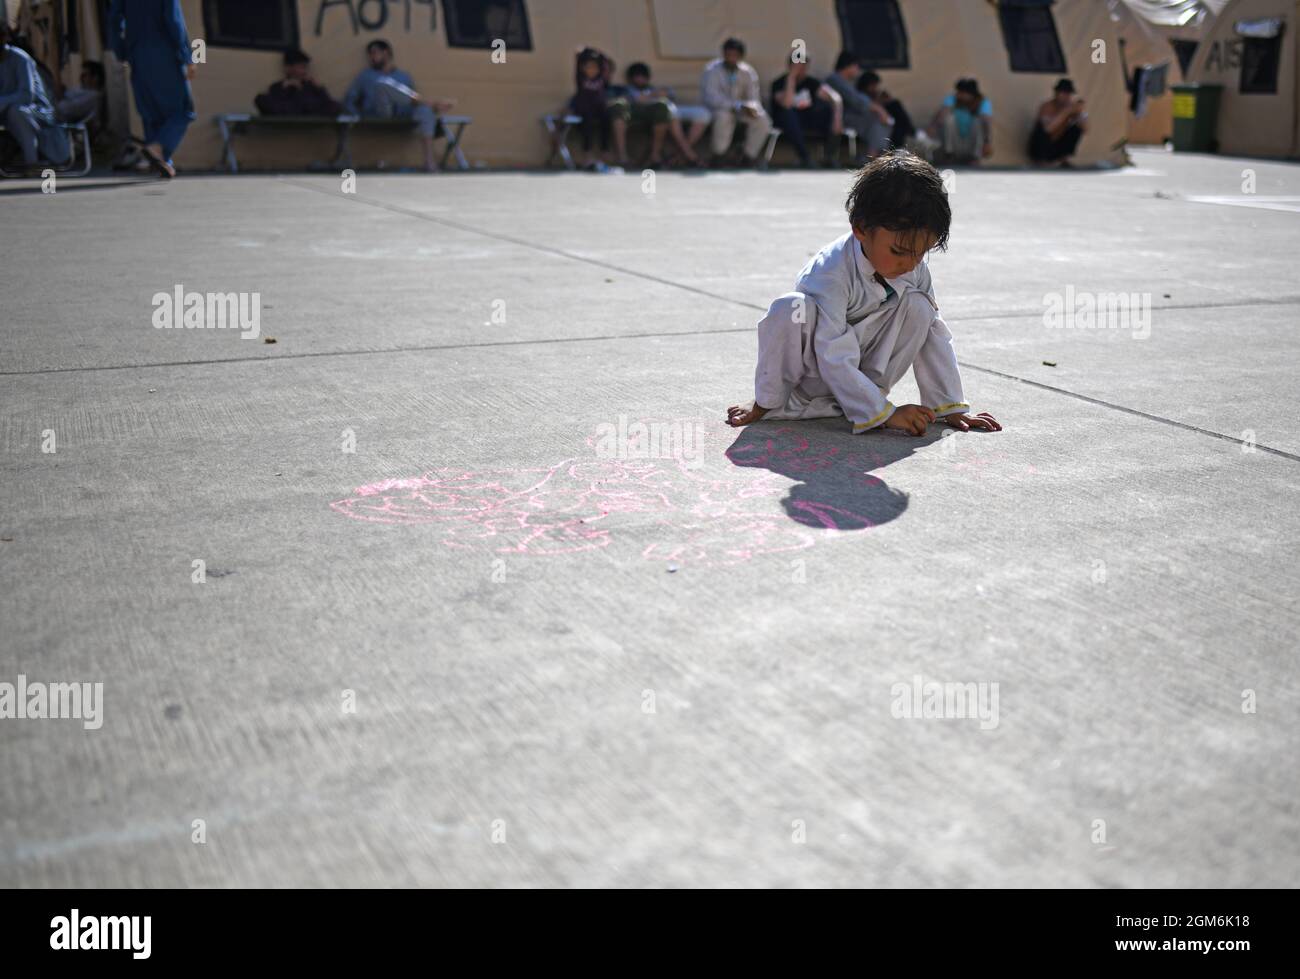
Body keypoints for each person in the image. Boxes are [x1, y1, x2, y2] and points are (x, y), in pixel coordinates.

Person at [726, 154, 1001, 438]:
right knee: (790, 308)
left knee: (923, 309)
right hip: (808, 384)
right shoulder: (829, 273)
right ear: (860, 228)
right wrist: (887, 414)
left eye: (921, 252)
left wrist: (949, 406)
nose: (910, 263)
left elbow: (934, 335)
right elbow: (832, 351)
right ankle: (768, 402)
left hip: (865, 385)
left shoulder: (915, 269)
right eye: (899, 251)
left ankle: (867, 405)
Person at [108, 0, 196, 178]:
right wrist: (187, 56)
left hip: (136, 54)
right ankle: (157, 149)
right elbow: (174, 20)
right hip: (164, 52)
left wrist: (121, 51)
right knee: (184, 110)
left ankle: (162, 161)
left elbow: (113, 19)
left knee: (152, 112)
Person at [342, 39, 456, 172]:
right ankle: (431, 103)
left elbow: (410, 100)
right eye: (370, 54)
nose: (372, 57)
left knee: (425, 111)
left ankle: (429, 162)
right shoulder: (364, 76)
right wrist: (356, 115)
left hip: (402, 114)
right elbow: (349, 100)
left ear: (386, 52)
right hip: (380, 114)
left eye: (375, 53)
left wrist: (424, 107)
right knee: (382, 84)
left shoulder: (403, 76)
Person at [0, 21, 70, 168]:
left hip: (37, 110)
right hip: (6, 111)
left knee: (16, 111)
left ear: (4, 37)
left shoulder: (20, 59)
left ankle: (32, 161)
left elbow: (27, 96)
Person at [606, 62, 700, 168]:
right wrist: (634, 99)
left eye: (643, 76)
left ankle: (655, 155)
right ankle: (622, 157)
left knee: (663, 107)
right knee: (619, 106)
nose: (640, 79)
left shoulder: (653, 90)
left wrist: (653, 95)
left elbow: (670, 95)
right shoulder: (622, 89)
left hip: (653, 117)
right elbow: (611, 100)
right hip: (629, 115)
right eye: (637, 76)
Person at [700, 37, 771, 168]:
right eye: (729, 55)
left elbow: (754, 97)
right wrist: (735, 106)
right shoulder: (712, 70)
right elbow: (711, 97)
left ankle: (748, 156)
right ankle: (719, 155)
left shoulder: (748, 72)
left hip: (742, 111)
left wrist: (752, 108)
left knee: (763, 120)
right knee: (724, 117)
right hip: (718, 109)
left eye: (735, 55)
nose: (731, 58)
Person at [768, 54, 842, 168]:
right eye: (798, 67)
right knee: (788, 114)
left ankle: (829, 156)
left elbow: (835, 98)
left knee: (828, 111)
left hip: (806, 119)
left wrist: (837, 116)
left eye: (804, 67)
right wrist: (791, 77)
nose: (801, 70)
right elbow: (787, 104)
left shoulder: (812, 83)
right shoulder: (778, 83)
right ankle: (805, 157)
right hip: (786, 122)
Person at [822, 52, 891, 162]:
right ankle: (873, 157)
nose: (857, 70)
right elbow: (856, 100)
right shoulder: (835, 79)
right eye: (856, 66)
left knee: (882, 120)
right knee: (878, 119)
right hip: (835, 118)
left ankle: (875, 155)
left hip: (846, 117)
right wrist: (879, 110)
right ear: (848, 65)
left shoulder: (845, 81)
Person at [256, 49, 342, 117]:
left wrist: (319, 88)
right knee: (261, 98)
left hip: (309, 116)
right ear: (288, 68)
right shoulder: (277, 87)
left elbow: (330, 105)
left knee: (335, 105)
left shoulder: (311, 86)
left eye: (306, 67)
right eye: (302, 67)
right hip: (287, 116)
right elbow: (273, 106)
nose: (305, 71)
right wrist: (284, 89)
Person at [928, 78, 992, 165]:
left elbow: (986, 122)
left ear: (970, 94)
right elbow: (942, 114)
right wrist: (933, 127)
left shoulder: (983, 102)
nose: (958, 95)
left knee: (978, 121)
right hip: (955, 141)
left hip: (971, 141)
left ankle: (975, 157)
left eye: (961, 93)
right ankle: (949, 154)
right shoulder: (952, 99)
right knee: (948, 119)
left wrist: (987, 142)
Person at [1029, 78, 1087, 167]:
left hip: (1056, 147)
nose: (1066, 97)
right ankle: (1041, 161)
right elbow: (1048, 129)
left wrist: (1081, 114)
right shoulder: (1047, 107)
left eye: (1068, 94)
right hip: (1040, 149)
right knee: (1041, 130)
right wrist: (1066, 112)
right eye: (1063, 93)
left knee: (1076, 128)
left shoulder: (1070, 107)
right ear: (1056, 93)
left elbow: (1085, 129)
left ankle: (1063, 159)